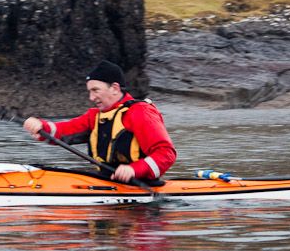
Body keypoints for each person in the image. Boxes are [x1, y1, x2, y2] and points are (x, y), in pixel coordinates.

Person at [22, 60, 176, 184]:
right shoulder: (94, 116)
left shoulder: (140, 112)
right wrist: (42, 126)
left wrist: (134, 170)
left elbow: (166, 154)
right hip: (105, 182)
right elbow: (65, 130)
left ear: (114, 88)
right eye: (89, 91)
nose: (91, 97)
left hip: (140, 186)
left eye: (95, 90)